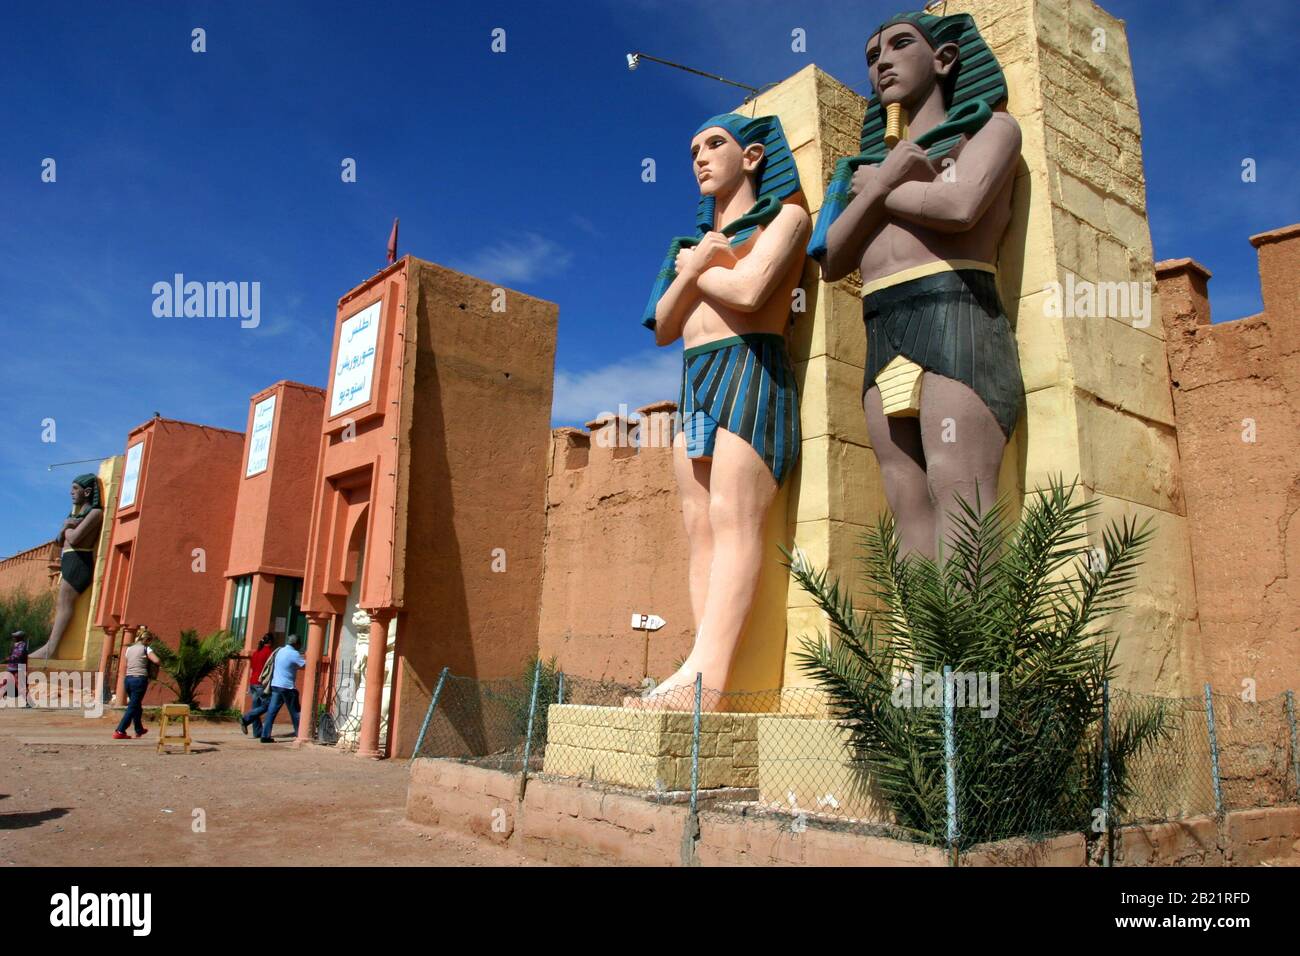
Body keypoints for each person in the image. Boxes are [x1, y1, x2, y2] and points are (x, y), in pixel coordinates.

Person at [811, 10, 1024, 561]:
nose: (881, 61)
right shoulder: (865, 169)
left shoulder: (990, 129)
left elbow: (959, 206)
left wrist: (878, 189)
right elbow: (831, 258)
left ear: (945, 58)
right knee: (905, 504)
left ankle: (971, 649)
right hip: (883, 327)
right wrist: (883, 177)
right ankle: (924, 650)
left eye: (900, 44)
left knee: (961, 492)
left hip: (956, 313)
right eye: (871, 57)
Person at [634, 111, 810, 708]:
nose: (700, 158)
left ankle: (710, 677)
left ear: (754, 156)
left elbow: (751, 292)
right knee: (699, 530)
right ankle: (695, 666)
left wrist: (698, 271)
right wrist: (696, 263)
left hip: (752, 368)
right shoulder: (687, 246)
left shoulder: (785, 219)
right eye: (692, 150)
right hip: (695, 380)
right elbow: (662, 323)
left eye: (714, 144)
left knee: (736, 519)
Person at [30, 474, 104, 660]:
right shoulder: (74, 515)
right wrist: (67, 526)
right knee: (61, 604)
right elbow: (59, 540)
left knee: (65, 605)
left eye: (75, 489)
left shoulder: (94, 513)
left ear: (87, 492)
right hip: (69, 560)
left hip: (80, 561)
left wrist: (66, 528)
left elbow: (74, 538)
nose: (71, 492)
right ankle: (50, 645)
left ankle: (51, 649)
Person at [113, 628, 161, 739]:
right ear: (147, 640)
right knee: (133, 706)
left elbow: (126, 664)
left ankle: (139, 729)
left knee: (136, 705)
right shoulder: (146, 649)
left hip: (128, 679)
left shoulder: (129, 649)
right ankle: (120, 730)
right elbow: (156, 660)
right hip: (139, 680)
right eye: (150, 641)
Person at [259, 634, 305, 743]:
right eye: (299, 644)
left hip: (276, 685)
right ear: (296, 644)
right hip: (287, 686)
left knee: (271, 711)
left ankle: (265, 735)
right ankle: (300, 734)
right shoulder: (294, 653)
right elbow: (304, 665)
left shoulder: (280, 650)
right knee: (295, 712)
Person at [239, 633, 276, 736]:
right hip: (261, 683)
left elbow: (253, 667)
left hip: (253, 682)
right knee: (267, 705)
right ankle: (246, 719)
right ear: (271, 642)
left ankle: (257, 731)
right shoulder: (269, 653)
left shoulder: (256, 652)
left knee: (256, 707)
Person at [5, 630, 30, 707]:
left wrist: (9, 658)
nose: (14, 638)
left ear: (19, 638)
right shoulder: (16, 645)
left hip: (18, 668)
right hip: (12, 668)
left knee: (20, 685)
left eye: (15, 636)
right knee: (4, 683)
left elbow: (17, 655)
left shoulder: (22, 645)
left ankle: (29, 702)